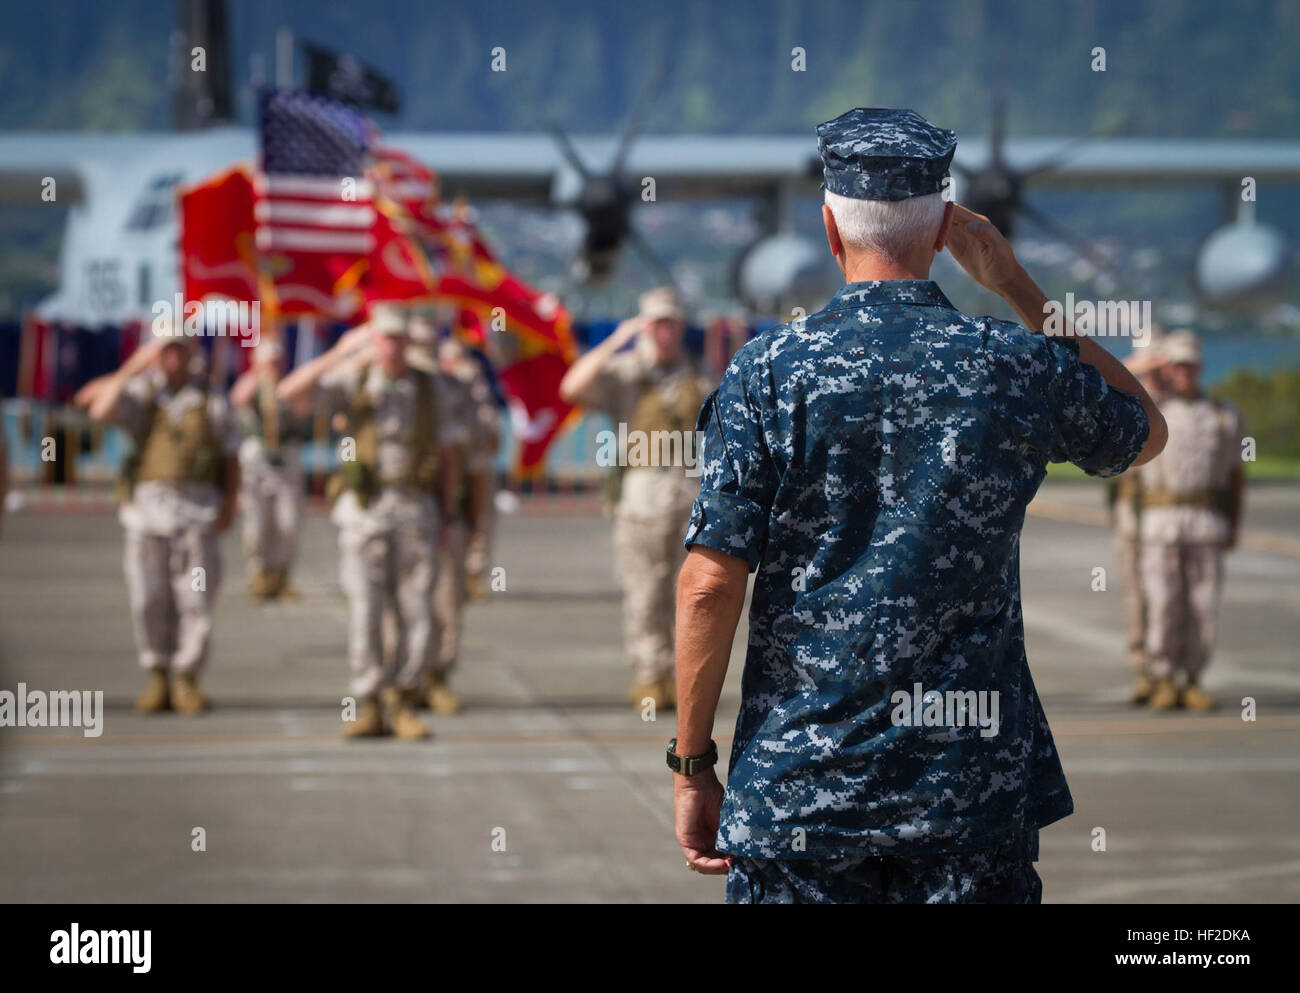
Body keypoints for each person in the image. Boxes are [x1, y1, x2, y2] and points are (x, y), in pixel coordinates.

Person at [669, 108, 1167, 904]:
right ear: (945, 235)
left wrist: (693, 764)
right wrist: (1014, 283)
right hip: (967, 794)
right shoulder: (1015, 364)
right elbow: (1141, 431)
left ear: (830, 229)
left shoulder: (767, 372)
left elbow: (708, 584)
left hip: (802, 790)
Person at [278, 305, 464, 740]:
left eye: (400, 338)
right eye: (384, 338)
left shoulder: (431, 387)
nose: (393, 346)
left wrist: (450, 514)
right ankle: (370, 701)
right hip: (365, 511)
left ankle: (402, 697)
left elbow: (450, 453)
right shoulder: (354, 379)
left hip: (417, 508)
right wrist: (340, 352)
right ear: (372, 339)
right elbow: (290, 394)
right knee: (365, 607)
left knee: (416, 611)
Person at [559, 288, 714, 711]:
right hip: (643, 495)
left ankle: (678, 677)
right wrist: (615, 341)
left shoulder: (698, 373)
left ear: (681, 326)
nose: (665, 332)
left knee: (689, 594)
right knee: (645, 589)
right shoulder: (626, 373)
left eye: (672, 323)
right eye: (657, 323)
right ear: (646, 326)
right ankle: (649, 674)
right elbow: (571, 387)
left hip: (689, 492)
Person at [79, 325, 241, 714]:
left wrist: (229, 506)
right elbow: (97, 408)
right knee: (149, 598)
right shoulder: (141, 395)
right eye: (165, 350)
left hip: (196, 517)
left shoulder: (211, 399)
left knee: (195, 599)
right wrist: (136, 364)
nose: (172, 357)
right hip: (147, 518)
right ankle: (158, 675)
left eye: (178, 350)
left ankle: (186, 677)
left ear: (190, 353)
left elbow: (230, 456)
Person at [1136, 330, 1244, 712]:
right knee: (1164, 603)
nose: (1183, 372)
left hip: (1205, 520)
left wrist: (1234, 523)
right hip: (1160, 520)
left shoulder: (1222, 415)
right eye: (1175, 365)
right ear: (1166, 367)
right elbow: (1111, 384)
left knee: (1203, 604)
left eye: (1188, 365)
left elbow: (1236, 475)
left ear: (1198, 367)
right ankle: (1163, 676)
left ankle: (1192, 678)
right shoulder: (1149, 408)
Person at [1109, 338, 1168, 703]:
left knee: (1167, 598)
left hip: (1165, 518)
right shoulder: (1128, 414)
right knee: (1137, 596)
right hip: (1133, 518)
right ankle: (1144, 667)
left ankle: (1168, 670)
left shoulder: (1172, 415)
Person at [230, 338, 307, 601]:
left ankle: (281, 576)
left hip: (286, 459)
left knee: (288, 523)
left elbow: (303, 407)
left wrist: (280, 384)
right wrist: (258, 374)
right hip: (257, 459)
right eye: (267, 362)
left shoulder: (290, 386)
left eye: (276, 362)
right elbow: (238, 397)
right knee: (256, 525)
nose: (272, 367)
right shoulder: (250, 386)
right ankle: (259, 574)